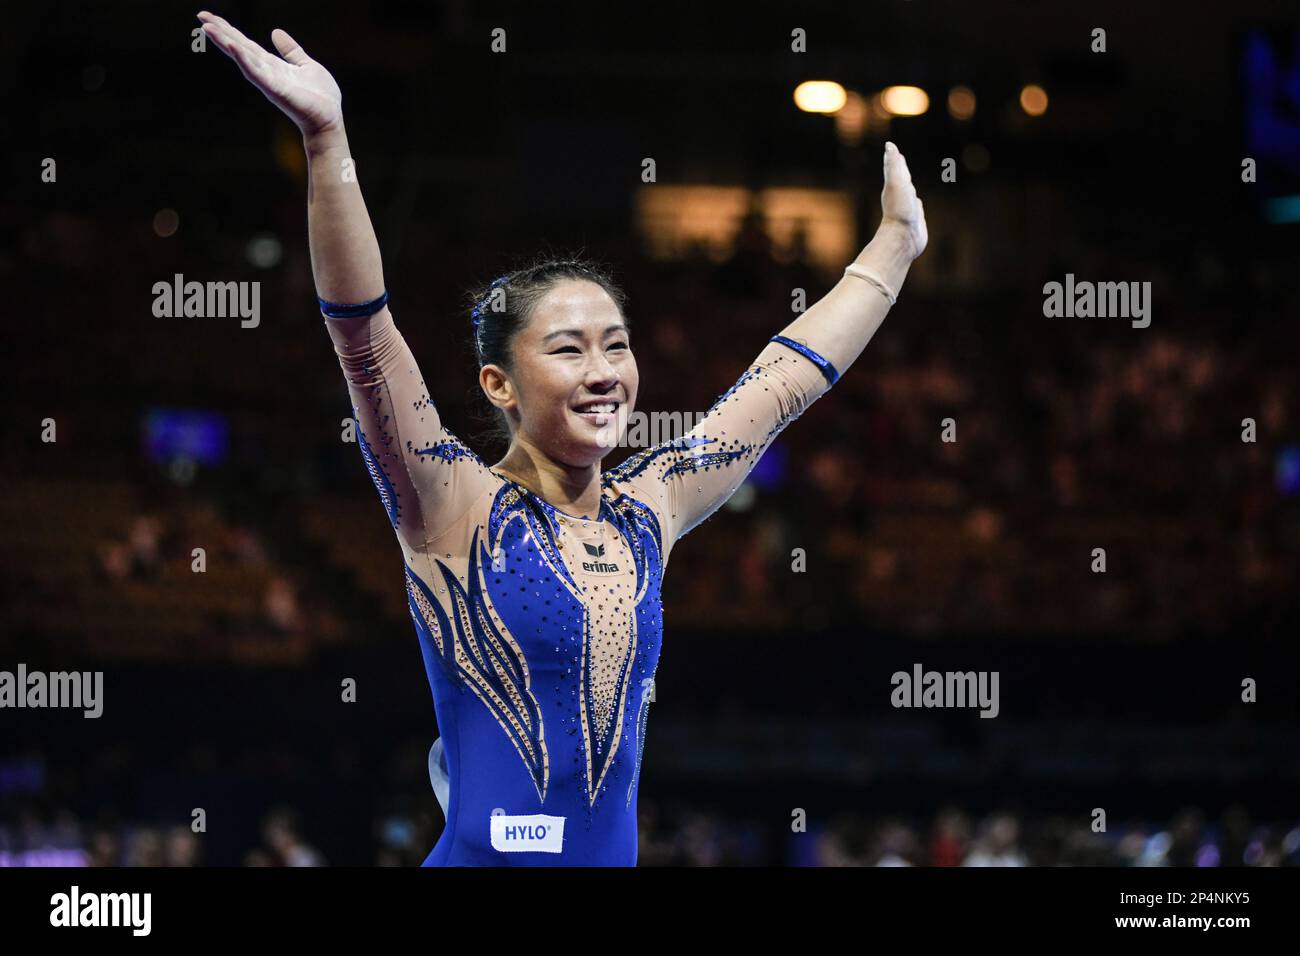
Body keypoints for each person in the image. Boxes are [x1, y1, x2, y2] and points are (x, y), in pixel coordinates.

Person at [198, 10, 927, 865]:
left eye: (617, 344)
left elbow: (781, 385)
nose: (605, 370)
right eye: (569, 349)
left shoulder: (648, 508)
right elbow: (362, 334)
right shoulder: (451, 502)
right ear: (498, 384)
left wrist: (892, 251)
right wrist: (329, 144)